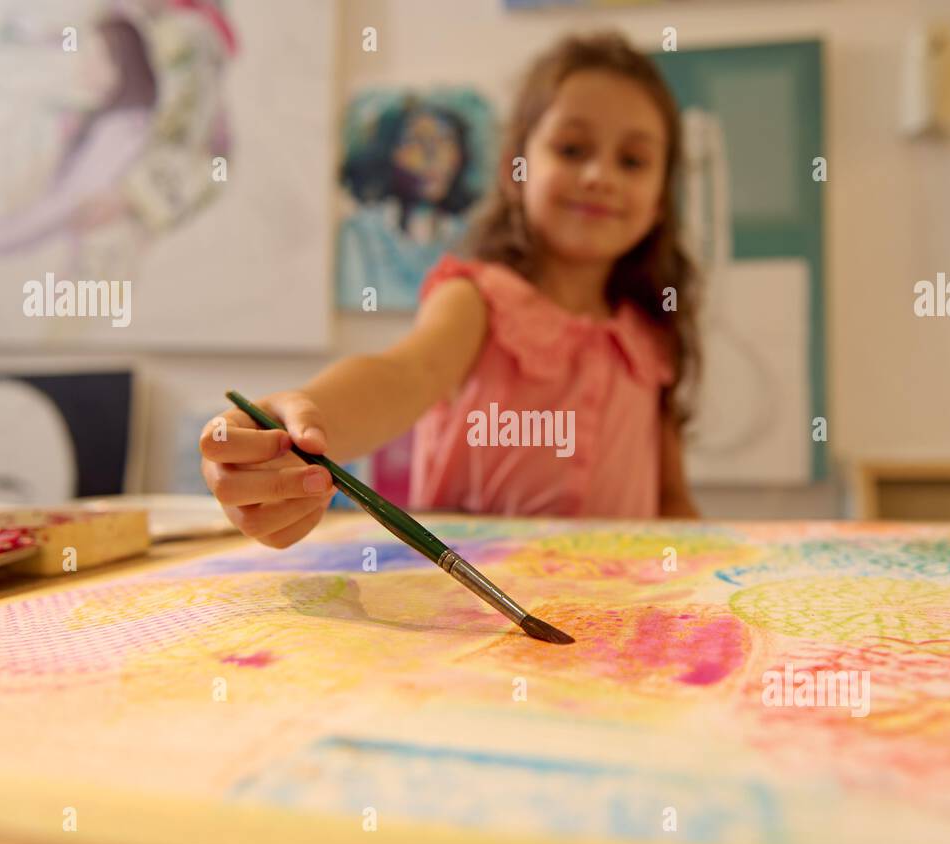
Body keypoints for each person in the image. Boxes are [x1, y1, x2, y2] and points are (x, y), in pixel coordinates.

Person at [200, 32, 702, 548]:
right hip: (474, 614)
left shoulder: (651, 334)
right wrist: (300, 421)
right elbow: (401, 375)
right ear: (515, 171)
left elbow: (672, 499)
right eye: (572, 149)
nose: (600, 176)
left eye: (633, 161)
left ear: (662, 199)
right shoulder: (476, 300)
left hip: (620, 612)